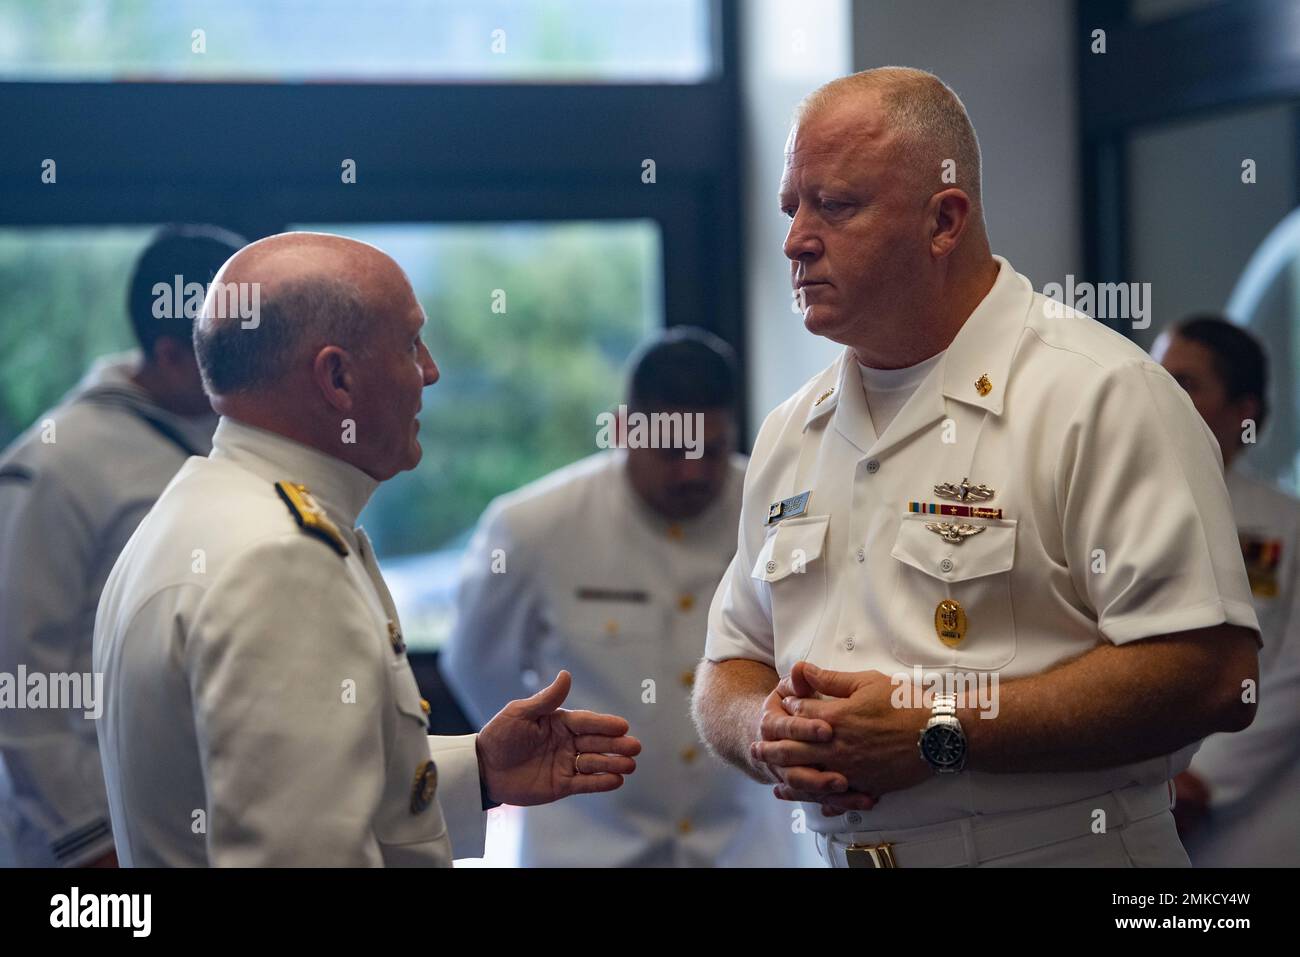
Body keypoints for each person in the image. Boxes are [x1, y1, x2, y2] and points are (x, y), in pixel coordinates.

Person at [693, 67, 1260, 868]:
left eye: (837, 205)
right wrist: (767, 733)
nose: (796, 240)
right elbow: (727, 667)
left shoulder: (1101, 393)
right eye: (792, 207)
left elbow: (1215, 679)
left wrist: (943, 729)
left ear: (944, 220)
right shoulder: (794, 429)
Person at [92, 231, 640, 866]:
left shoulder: (203, 512)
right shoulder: (279, 561)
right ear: (338, 379)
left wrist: (482, 768)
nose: (431, 371)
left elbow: (289, 779)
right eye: (411, 344)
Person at [443, 328, 805, 866]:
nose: (693, 473)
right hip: (583, 845)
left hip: (746, 845)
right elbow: (478, 665)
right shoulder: (534, 526)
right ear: (622, 429)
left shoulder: (780, 511)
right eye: (670, 452)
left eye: (711, 450)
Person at [0, 224, 245, 868]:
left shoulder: (227, 440)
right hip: (89, 841)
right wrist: (91, 840)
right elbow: (17, 677)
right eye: (233, 351)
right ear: (169, 353)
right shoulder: (56, 464)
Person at [1154, 316, 1300, 867]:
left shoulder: (1287, 527)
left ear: (1244, 411)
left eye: (1186, 382)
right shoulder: (1108, 514)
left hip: (1254, 817)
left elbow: (1293, 674)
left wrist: (1203, 781)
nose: (1162, 393)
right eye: (1157, 374)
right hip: (1126, 798)